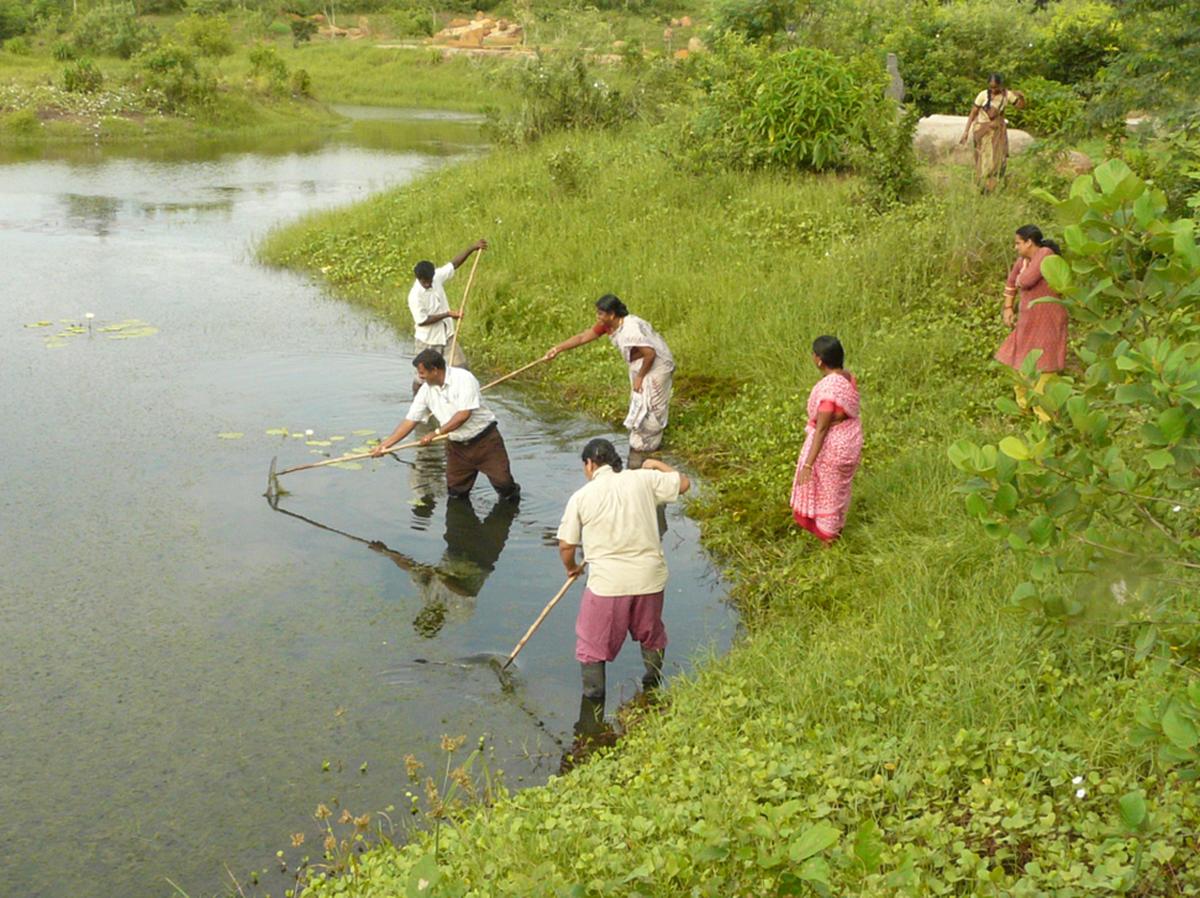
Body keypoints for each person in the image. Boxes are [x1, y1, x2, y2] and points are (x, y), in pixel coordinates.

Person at [557, 438, 690, 709]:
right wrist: (655, 464)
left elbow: (566, 545)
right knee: (651, 633)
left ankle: (593, 704)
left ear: (590, 464)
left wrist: (571, 568)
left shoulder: (582, 497)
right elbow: (684, 483)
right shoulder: (643, 479)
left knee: (592, 644)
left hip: (608, 585)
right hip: (649, 579)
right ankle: (653, 685)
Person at [544, 295, 675, 470]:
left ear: (612, 314)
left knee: (652, 410)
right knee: (639, 404)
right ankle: (640, 450)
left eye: (600, 313)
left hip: (656, 367)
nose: (598, 317)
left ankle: (648, 451)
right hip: (640, 364)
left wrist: (640, 377)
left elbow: (650, 354)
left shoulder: (630, 330)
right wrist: (557, 349)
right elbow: (583, 337)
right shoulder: (609, 326)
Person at [372, 349, 520, 501]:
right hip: (457, 448)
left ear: (435, 370)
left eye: (422, 372)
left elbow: (463, 415)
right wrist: (386, 445)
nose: (419, 376)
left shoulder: (464, 378)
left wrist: (436, 433)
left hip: (485, 442)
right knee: (456, 492)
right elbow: (410, 420)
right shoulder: (426, 391)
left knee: (504, 486)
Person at [790, 336, 863, 543]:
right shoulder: (848, 378)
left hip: (834, 447)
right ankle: (836, 529)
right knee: (839, 489)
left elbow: (822, 427)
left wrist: (808, 464)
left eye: (814, 354)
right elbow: (843, 413)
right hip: (851, 442)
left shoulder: (829, 390)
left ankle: (829, 540)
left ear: (819, 360)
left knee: (827, 492)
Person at [996, 224, 1067, 420]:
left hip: (1048, 319)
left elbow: (1026, 280)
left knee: (1045, 365)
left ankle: (1045, 418)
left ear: (1029, 242)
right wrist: (1008, 308)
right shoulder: (1023, 260)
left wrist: (1019, 278)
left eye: (1018, 243)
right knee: (1018, 362)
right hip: (1028, 322)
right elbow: (1012, 282)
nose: (1016, 247)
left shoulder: (1045, 254)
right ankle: (1023, 407)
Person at [408, 238, 487, 386]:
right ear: (419, 279)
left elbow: (454, 264)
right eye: (426, 281)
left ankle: (461, 400)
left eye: (430, 280)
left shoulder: (436, 276)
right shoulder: (415, 296)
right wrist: (448, 314)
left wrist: (472, 248)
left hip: (447, 335)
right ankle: (418, 405)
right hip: (428, 341)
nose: (429, 284)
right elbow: (422, 320)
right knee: (423, 378)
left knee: (462, 370)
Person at [958, 73, 1025, 192]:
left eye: (996, 87)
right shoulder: (982, 95)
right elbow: (973, 113)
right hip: (982, 131)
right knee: (983, 157)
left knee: (997, 159)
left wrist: (1021, 97)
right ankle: (981, 185)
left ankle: (990, 188)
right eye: (991, 87)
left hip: (997, 132)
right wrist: (966, 131)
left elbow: (1020, 106)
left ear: (1000, 85)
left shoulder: (1006, 95)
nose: (993, 90)